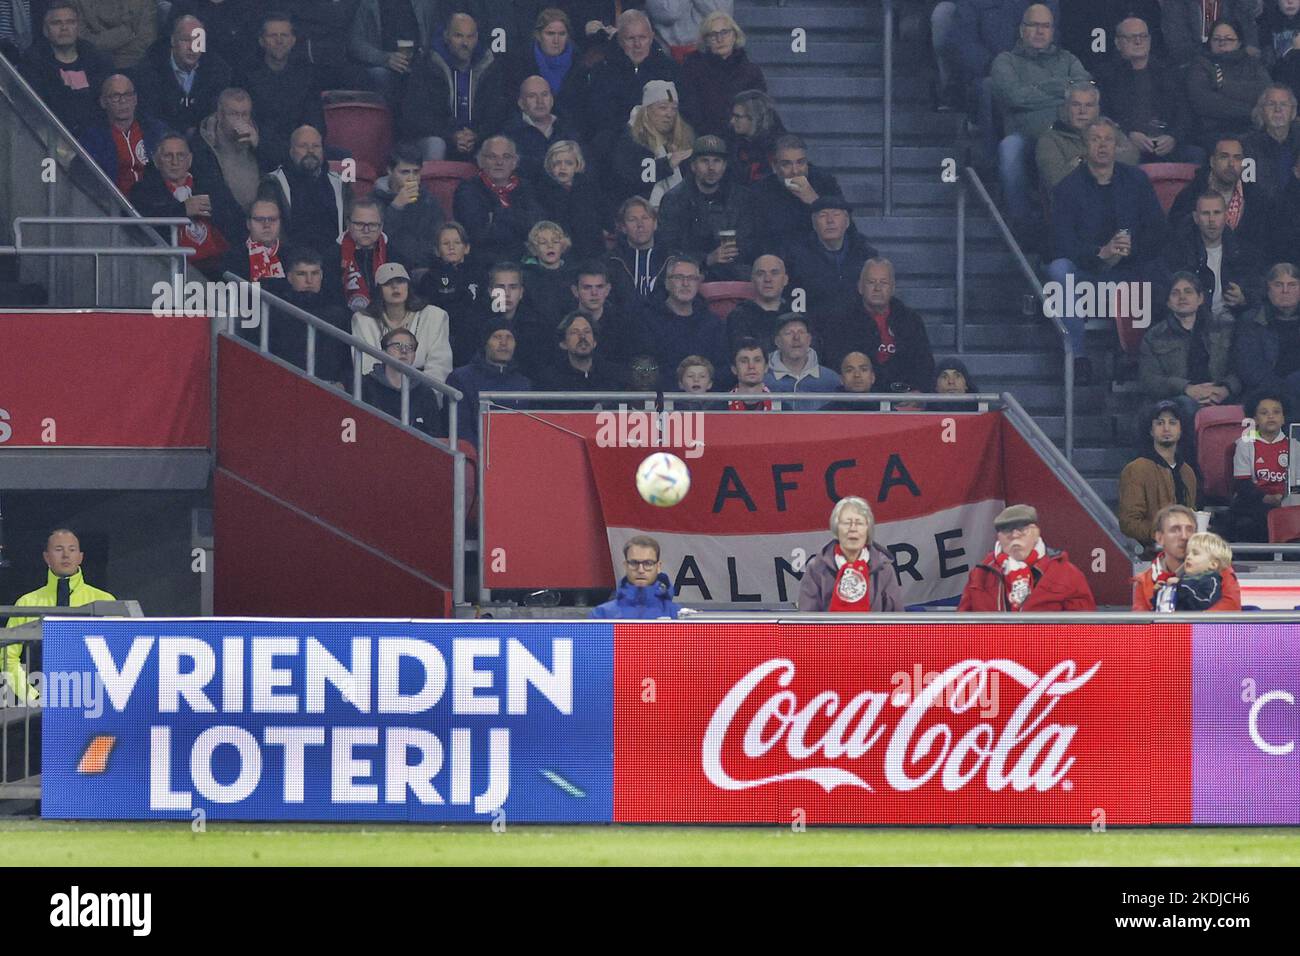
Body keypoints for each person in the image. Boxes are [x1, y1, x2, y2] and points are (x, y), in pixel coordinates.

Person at [1047, 117, 1168, 377]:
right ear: (1084, 146)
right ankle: (1077, 357)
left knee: (1158, 270)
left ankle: (1137, 358)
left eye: (1108, 139)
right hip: (1087, 275)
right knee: (1058, 270)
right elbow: (1060, 242)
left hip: (1130, 269)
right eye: (1095, 139)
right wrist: (1100, 252)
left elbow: (1158, 230)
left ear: (1117, 146)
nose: (1102, 146)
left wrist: (1131, 248)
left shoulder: (1137, 180)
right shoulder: (1067, 189)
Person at [989, 3, 1091, 230]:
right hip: (1026, 138)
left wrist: (1036, 90)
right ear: (1021, 29)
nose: (1039, 31)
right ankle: (1022, 224)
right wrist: (1061, 91)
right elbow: (1014, 97)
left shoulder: (1068, 59)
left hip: (1068, 137)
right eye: (1033, 25)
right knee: (1009, 148)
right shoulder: (1005, 61)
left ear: (1053, 31)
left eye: (1045, 26)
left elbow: (1085, 88)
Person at [4, 529, 117, 704]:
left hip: (94, 704)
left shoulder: (105, 601)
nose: (66, 555)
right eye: (58, 549)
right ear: (46, 557)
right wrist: (33, 699)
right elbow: (6, 656)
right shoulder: (27, 602)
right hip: (38, 714)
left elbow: (120, 654)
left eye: (71, 550)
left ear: (80, 557)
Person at [400, 12, 511, 163]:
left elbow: (497, 113)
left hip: (476, 139)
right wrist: (451, 135)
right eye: (458, 36)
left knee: (499, 146)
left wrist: (476, 134)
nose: (465, 43)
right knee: (435, 145)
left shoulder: (489, 67)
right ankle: (430, 186)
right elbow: (415, 114)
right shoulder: (427, 65)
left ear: (477, 38)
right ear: (446, 36)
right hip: (439, 137)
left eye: (470, 37)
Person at [1095, 15, 1202, 166]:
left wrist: (1173, 137)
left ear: (1150, 40)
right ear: (1118, 43)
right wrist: (1128, 133)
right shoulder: (1106, 75)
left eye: (1142, 36)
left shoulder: (1168, 71)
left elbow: (1184, 112)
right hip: (1126, 144)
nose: (1138, 42)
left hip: (1164, 144)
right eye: (1131, 37)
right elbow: (1103, 115)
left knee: (1197, 155)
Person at [1138, 271, 1239, 427]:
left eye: (1188, 292)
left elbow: (1240, 369)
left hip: (1220, 395)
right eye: (1175, 293)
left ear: (1200, 299)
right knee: (1186, 407)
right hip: (1178, 399)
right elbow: (1150, 380)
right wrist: (1187, 388)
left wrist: (1225, 389)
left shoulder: (1224, 329)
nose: (1182, 297)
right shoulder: (1154, 337)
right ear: (1168, 302)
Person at [821, 258, 936, 392]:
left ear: (893, 288)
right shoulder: (840, 322)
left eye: (884, 283)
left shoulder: (910, 320)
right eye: (871, 282)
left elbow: (925, 365)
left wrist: (918, 392)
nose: (877, 288)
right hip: (857, 399)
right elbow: (834, 366)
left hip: (904, 400)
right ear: (860, 287)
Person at [958, 503, 1097, 611]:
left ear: (1036, 533)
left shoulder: (1067, 574)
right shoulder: (980, 574)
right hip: (992, 647)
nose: (1014, 535)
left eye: (1022, 529)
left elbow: (1084, 630)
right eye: (1007, 530)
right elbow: (963, 627)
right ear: (998, 537)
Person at [130, 132, 233, 275]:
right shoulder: (143, 191)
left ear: (189, 160)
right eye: (168, 156)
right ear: (156, 160)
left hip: (219, 268)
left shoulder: (211, 186)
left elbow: (233, 221)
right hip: (169, 270)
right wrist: (182, 210)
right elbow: (141, 226)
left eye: (180, 155)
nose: (175, 162)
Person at [656, 134, 754, 281]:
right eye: (704, 161)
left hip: (735, 275)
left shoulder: (742, 198)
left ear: (725, 165)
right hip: (688, 276)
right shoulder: (674, 199)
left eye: (717, 161)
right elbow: (668, 249)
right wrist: (706, 259)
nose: (711, 168)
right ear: (693, 166)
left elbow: (751, 241)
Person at [236, 11, 325, 170]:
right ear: (261, 41)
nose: (279, 41)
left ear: (293, 40)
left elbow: (316, 122)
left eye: (284, 35)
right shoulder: (245, 77)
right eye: (272, 36)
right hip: (259, 151)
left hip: (300, 152)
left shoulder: (308, 75)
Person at [1161, 192, 1262, 323]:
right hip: (1193, 324)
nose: (1211, 220)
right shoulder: (1177, 252)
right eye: (1205, 213)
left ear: (1226, 216)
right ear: (1196, 218)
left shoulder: (1244, 252)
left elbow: (1258, 290)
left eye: (1217, 213)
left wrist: (1244, 299)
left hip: (1235, 325)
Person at [584, 9, 679, 144]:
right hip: (618, 143)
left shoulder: (669, 70)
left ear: (652, 37)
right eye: (631, 38)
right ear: (619, 40)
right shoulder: (603, 71)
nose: (638, 45)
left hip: (664, 140)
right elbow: (599, 116)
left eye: (643, 37)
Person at [131, 13, 232, 136]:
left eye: (198, 40)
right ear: (173, 40)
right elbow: (149, 117)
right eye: (186, 39)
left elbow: (216, 115)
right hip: (162, 140)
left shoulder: (218, 71)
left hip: (203, 140)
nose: (192, 47)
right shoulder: (150, 69)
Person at [796, 496, 902, 612]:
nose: (853, 529)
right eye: (847, 523)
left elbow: (896, 620)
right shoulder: (816, 568)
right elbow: (806, 620)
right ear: (836, 529)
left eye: (859, 523)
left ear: (868, 530)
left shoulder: (884, 568)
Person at [452, 135, 547, 264]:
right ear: (480, 161)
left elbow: (537, 226)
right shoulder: (468, 189)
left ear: (515, 162)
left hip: (526, 260)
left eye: (506, 157)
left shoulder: (528, 188)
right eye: (492, 157)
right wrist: (518, 220)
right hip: (483, 261)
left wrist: (496, 215)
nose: (499, 162)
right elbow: (477, 234)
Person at [782, 195, 878, 322]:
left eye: (836, 214)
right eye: (823, 215)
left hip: (857, 329)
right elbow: (793, 303)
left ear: (847, 221)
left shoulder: (866, 255)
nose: (830, 220)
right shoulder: (795, 257)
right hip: (814, 330)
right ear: (814, 223)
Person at [1035, 79, 1141, 194]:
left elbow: (1132, 157)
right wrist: (1098, 158)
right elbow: (1056, 182)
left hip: (1115, 197)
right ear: (1066, 108)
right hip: (1074, 204)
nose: (1082, 111)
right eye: (1076, 105)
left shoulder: (1110, 130)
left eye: (1089, 105)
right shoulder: (1049, 140)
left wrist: (1080, 162)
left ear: (1097, 109)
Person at [189, 87, 268, 240]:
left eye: (244, 114)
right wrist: (246, 227)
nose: (240, 120)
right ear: (220, 114)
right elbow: (214, 193)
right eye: (233, 114)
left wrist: (259, 146)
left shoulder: (259, 135)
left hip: (262, 223)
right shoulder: (202, 145)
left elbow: (277, 170)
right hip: (225, 230)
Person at [1118, 400, 1199, 548]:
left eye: (1173, 423)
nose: (1166, 428)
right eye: (1160, 423)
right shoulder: (1137, 469)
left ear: (1181, 430)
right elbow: (1129, 523)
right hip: (1151, 554)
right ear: (1151, 430)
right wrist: (1163, 534)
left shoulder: (1187, 472)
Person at [20, 2, 111, 134]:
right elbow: (33, 111)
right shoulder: (31, 63)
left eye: (70, 22)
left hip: (96, 135)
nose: (64, 27)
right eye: (56, 23)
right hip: (52, 136)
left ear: (78, 28)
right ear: (45, 30)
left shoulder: (98, 59)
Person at [352, 261, 452, 381]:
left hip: (424, 392)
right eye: (387, 283)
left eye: (400, 282)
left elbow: (440, 366)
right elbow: (366, 366)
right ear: (379, 290)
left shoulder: (435, 316)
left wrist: (421, 392)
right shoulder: (363, 320)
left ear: (408, 286)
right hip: (380, 391)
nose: (395, 287)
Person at [1132, 503, 1243, 610]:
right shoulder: (1144, 581)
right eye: (1175, 530)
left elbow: (1231, 609)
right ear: (1160, 538)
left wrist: (1185, 627)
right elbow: (1141, 626)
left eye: (1189, 529)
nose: (1184, 536)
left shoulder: (1219, 568)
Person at [270, 244, 352, 386]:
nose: (309, 280)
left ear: (321, 275)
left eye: (314, 273)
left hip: (331, 388)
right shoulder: (276, 311)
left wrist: (344, 382)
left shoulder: (339, 315)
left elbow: (347, 357)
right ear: (289, 277)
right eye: (301, 274)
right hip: (286, 385)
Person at [261, 124, 348, 256]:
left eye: (316, 146)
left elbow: (350, 225)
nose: (310, 151)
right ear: (291, 151)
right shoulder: (273, 183)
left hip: (334, 261)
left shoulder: (340, 184)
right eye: (303, 146)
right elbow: (270, 232)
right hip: (291, 261)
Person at [1187, 17, 1272, 151]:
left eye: (1228, 39)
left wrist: (1222, 85)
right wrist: (1251, 111)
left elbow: (1265, 92)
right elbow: (1204, 102)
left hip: (1252, 129)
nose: (1222, 43)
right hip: (1214, 132)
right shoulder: (1201, 64)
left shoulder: (1252, 63)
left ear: (1239, 42)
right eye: (1216, 39)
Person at [445, 317, 534, 445]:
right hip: (476, 458)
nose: (504, 343)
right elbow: (461, 431)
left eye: (509, 337)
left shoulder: (524, 384)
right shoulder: (461, 378)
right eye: (497, 337)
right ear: (485, 343)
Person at [644, 253, 728, 388]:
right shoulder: (646, 321)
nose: (685, 283)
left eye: (692, 278)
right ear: (666, 283)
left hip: (705, 402)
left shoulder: (713, 324)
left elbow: (722, 368)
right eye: (679, 278)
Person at [607, 78, 695, 207]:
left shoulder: (686, 137)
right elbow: (629, 176)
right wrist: (667, 164)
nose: (669, 114)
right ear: (647, 110)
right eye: (663, 107)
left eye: (674, 108)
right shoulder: (631, 139)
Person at [496, 8, 587, 132]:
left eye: (562, 34)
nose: (556, 41)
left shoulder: (580, 63)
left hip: (570, 132)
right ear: (538, 35)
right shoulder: (519, 63)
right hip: (526, 131)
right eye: (550, 34)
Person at [1168, 137, 1267, 250]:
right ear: (1212, 162)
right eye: (1224, 157)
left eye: (1237, 158)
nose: (1231, 164)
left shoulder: (1257, 199)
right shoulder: (1190, 196)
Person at [751, 134, 843, 255]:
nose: (795, 171)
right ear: (775, 166)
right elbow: (758, 240)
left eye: (800, 163)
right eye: (786, 164)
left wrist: (814, 201)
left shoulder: (825, 183)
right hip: (779, 260)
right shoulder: (761, 191)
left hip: (819, 257)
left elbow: (844, 229)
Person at [677, 10, 763, 138]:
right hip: (703, 139)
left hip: (741, 140)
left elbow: (758, 112)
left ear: (735, 36)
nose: (720, 39)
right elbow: (689, 111)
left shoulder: (751, 72)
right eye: (713, 35)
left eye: (725, 32)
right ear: (706, 41)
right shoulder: (692, 69)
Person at [79, 73, 167, 196]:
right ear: (103, 102)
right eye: (115, 96)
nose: (123, 101)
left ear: (135, 99)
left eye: (128, 95)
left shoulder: (156, 131)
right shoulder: (92, 139)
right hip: (114, 207)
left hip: (156, 202)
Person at [371, 142, 445, 280]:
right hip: (388, 270)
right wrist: (396, 207)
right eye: (404, 172)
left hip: (426, 269)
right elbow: (374, 239)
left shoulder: (429, 201)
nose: (411, 178)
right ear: (389, 171)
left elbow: (438, 236)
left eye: (416, 172)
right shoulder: (374, 200)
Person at [416, 221, 485, 364]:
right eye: (446, 243)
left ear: (466, 248)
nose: (451, 247)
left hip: (476, 340)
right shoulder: (428, 279)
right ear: (437, 250)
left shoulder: (480, 275)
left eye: (457, 242)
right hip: (442, 340)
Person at [348, 0, 440, 106]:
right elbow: (354, 44)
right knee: (380, 75)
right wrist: (385, 58)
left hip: (420, 63)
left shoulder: (425, 4)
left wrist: (425, 52)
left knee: (432, 74)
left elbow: (439, 35)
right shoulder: (370, 4)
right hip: (383, 66)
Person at [360, 327, 447, 437]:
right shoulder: (365, 385)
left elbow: (436, 436)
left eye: (410, 347)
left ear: (414, 356)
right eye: (397, 346)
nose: (404, 351)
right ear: (383, 353)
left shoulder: (425, 392)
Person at [1230, 390, 1291, 540]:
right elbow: (1242, 484)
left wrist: (1284, 499)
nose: (1271, 416)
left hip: (1288, 503)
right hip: (1255, 503)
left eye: (1276, 412)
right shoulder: (1245, 444)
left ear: (1283, 418)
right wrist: (1268, 498)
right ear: (1255, 419)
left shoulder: (1294, 445)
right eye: (1264, 413)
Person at [1235, 262, 1300, 401]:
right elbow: (1250, 370)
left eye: (1292, 285)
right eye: (1278, 285)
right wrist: (1283, 390)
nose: (1285, 290)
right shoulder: (1251, 321)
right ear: (1268, 289)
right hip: (1264, 395)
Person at [536, 140, 610, 260]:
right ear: (550, 166)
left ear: (577, 165)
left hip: (592, 250)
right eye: (557, 163)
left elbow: (603, 216)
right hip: (561, 254)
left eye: (568, 163)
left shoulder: (590, 188)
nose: (563, 167)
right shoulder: (543, 193)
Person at [502, 74, 582, 183]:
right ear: (521, 103)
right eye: (532, 96)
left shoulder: (569, 130)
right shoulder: (508, 136)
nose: (540, 101)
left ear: (552, 99)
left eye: (545, 95)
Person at [590, 535, 682, 619]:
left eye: (648, 563)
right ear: (625, 565)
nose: (640, 570)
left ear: (658, 567)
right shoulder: (602, 614)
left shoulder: (677, 615)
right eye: (634, 563)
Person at [764, 314, 840, 410]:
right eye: (789, 333)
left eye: (801, 332)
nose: (796, 338)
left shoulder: (831, 379)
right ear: (777, 341)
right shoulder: (764, 379)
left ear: (809, 340)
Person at [536, 311, 623, 394]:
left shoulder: (614, 376)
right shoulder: (549, 381)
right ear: (563, 343)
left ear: (595, 342)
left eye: (587, 331)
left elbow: (624, 407)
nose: (582, 337)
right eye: (575, 332)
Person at [607, 195, 671, 305]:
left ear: (655, 223)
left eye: (645, 218)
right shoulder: (610, 262)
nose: (640, 225)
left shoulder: (671, 260)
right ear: (623, 227)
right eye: (632, 220)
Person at [1162, 0, 1264, 67]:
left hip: (1235, 70)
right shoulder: (1175, 3)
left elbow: (1252, 50)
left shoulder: (1240, 3)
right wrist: (1235, 52)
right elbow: (1180, 50)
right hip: (1193, 70)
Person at [1242, 84, 1300, 199]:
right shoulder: (1247, 146)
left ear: (1293, 112)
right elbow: (1248, 190)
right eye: (1271, 104)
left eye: (1283, 104)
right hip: (1263, 210)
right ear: (1261, 111)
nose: (1277, 109)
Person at [725, 254, 789, 353]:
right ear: (752, 281)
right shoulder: (738, 317)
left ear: (785, 280)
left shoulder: (796, 314)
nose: (768, 279)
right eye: (760, 274)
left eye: (774, 273)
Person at [219, 195, 288, 285]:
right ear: (248, 224)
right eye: (259, 219)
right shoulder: (232, 258)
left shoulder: (293, 257)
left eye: (272, 219)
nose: (266, 225)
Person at [338, 197, 390, 313]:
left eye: (372, 225)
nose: (366, 230)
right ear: (348, 223)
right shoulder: (333, 256)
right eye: (359, 224)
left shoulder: (395, 256)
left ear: (381, 226)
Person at [521, 219, 577, 324]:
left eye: (555, 241)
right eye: (543, 242)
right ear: (533, 249)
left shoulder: (573, 275)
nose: (550, 246)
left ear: (563, 246)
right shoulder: (526, 277)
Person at [73, 0, 155, 70]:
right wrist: (126, 33)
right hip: (90, 64)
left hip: (132, 65)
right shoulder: (79, 2)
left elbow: (145, 41)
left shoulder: (143, 2)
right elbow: (80, 39)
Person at [728, 89, 785, 185]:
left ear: (755, 118)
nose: (732, 121)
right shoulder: (732, 144)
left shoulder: (780, 149)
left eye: (737, 117)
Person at [1169, 531, 1234, 609]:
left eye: (1195, 554)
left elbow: (1204, 602)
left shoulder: (1211, 581)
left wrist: (1180, 585)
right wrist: (1161, 590)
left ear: (1213, 564)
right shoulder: (1183, 578)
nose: (1188, 557)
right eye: (1187, 554)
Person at [727, 338, 776, 410]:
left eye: (757, 360)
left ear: (766, 367)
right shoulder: (716, 409)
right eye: (744, 361)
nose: (751, 366)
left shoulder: (782, 408)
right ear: (734, 369)